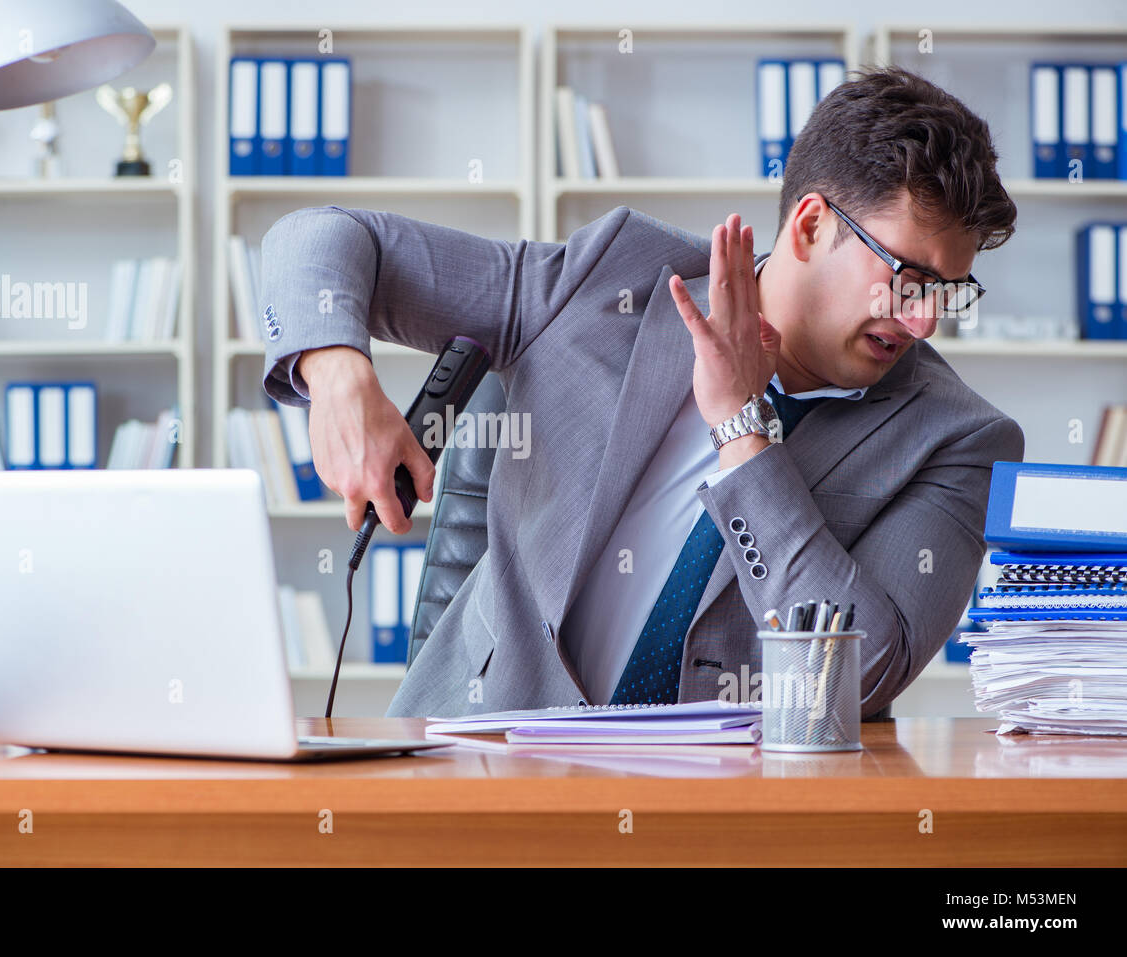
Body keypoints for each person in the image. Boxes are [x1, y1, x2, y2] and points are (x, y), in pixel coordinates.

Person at [258, 65, 1022, 718]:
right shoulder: (611, 280)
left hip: (712, 827)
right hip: (469, 760)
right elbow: (315, 239)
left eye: (949, 293)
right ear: (812, 225)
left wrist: (744, 429)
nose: (924, 323)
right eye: (908, 280)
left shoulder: (958, 439)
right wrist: (338, 376)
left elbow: (853, 679)